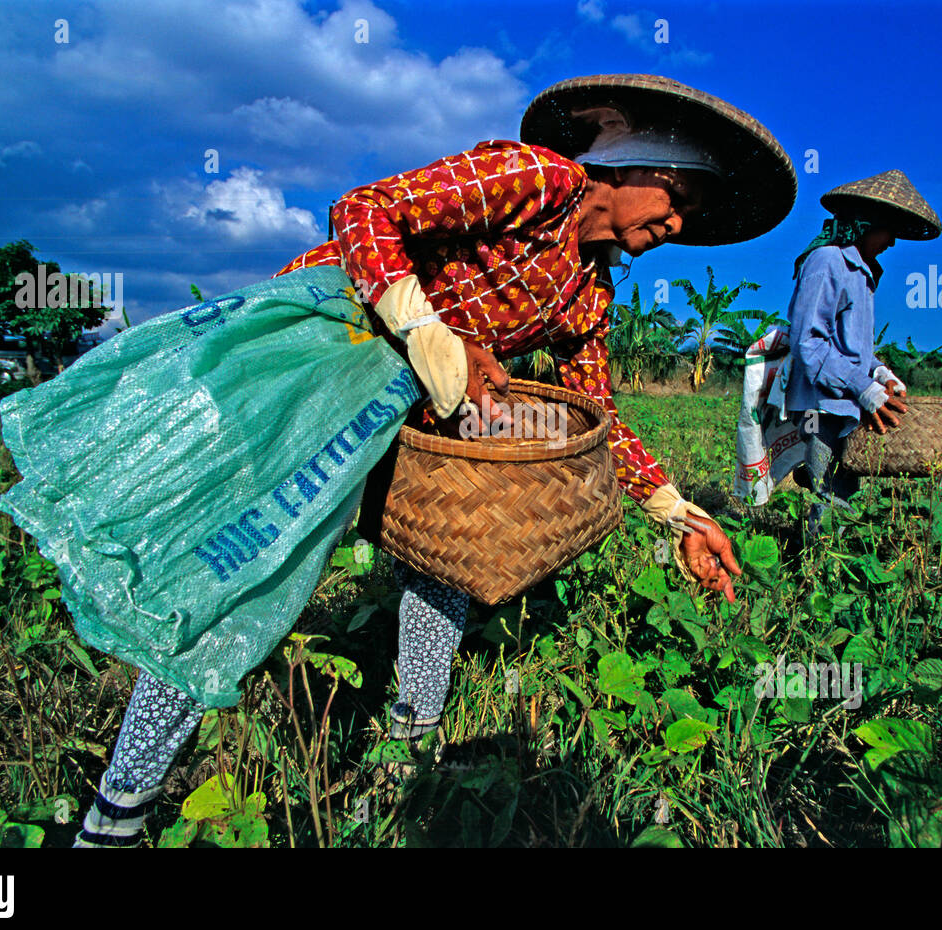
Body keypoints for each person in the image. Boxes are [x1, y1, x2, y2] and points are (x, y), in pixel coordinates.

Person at [71, 74, 796, 846]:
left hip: (412, 413)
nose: (677, 223)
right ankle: (118, 811)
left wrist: (679, 515)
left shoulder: (588, 292)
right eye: (675, 196)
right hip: (330, 358)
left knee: (443, 565)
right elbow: (365, 210)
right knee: (244, 571)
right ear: (628, 163)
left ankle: (400, 762)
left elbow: (600, 418)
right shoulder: (538, 180)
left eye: (689, 214)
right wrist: (427, 332)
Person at [783, 169, 942, 536]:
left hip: (848, 400)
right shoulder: (826, 261)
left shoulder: (863, 273)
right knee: (828, 492)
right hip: (822, 403)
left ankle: (830, 547)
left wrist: (880, 373)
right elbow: (808, 342)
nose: (892, 242)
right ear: (865, 224)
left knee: (846, 485)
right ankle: (819, 561)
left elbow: (854, 348)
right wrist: (862, 386)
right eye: (888, 231)